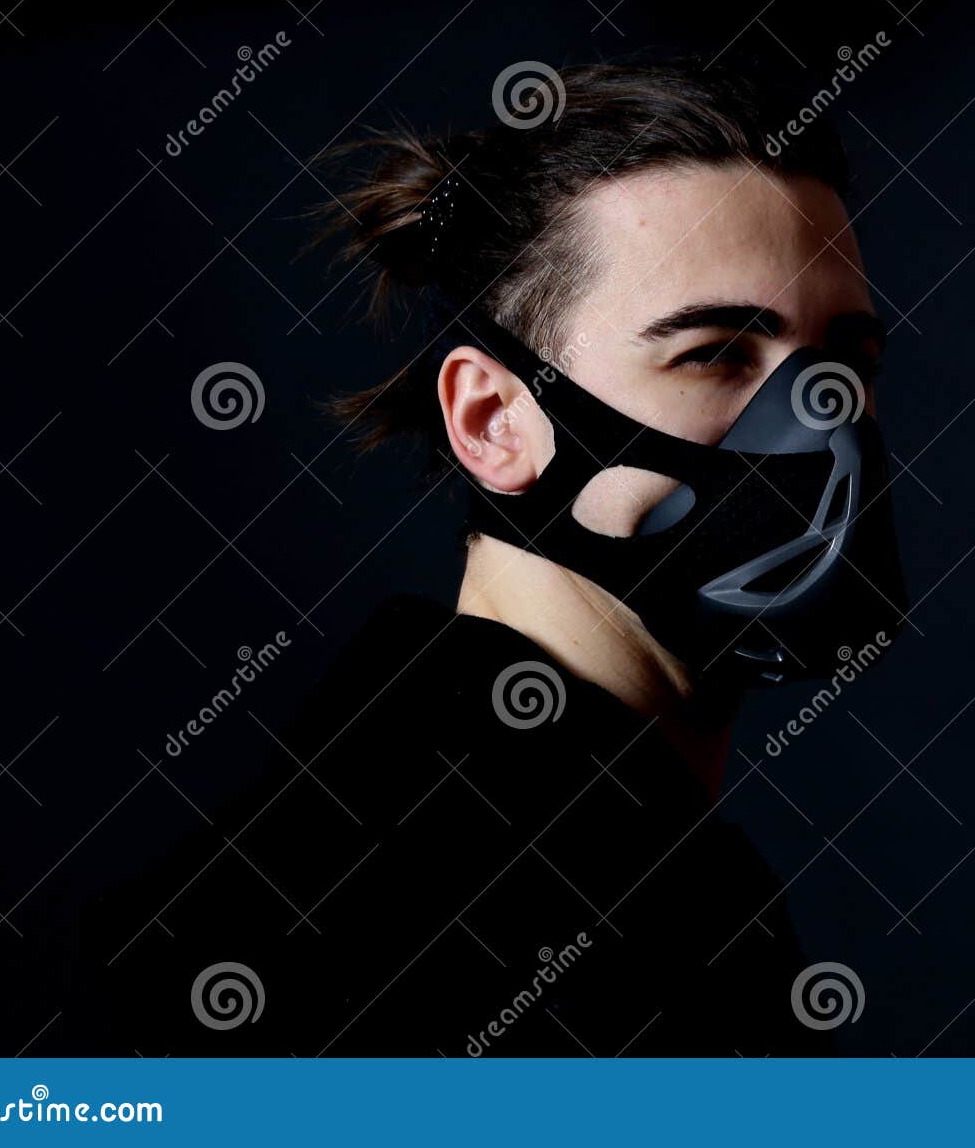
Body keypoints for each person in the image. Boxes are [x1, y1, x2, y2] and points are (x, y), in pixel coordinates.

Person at [66, 59, 907, 1055]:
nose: (819, 416)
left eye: (843, 361)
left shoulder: (423, 811)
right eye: (717, 352)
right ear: (494, 419)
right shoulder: (533, 910)